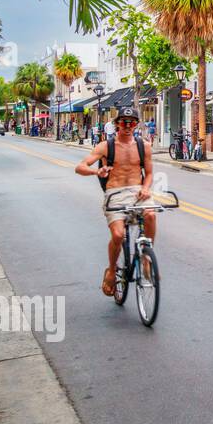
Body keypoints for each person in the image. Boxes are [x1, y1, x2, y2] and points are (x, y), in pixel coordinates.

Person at [73, 106, 154, 298]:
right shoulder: (105, 146)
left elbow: (149, 173)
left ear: (136, 124)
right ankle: (111, 270)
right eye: (124, 122)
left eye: (132, 122)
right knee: (118, 235)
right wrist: (96, 171)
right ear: (117, 124)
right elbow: (80, 167)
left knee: (151, 214)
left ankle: (146, 258)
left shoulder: (144, 146)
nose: (128, 126)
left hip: (137, 191)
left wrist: (145, 188)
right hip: (114, 193)